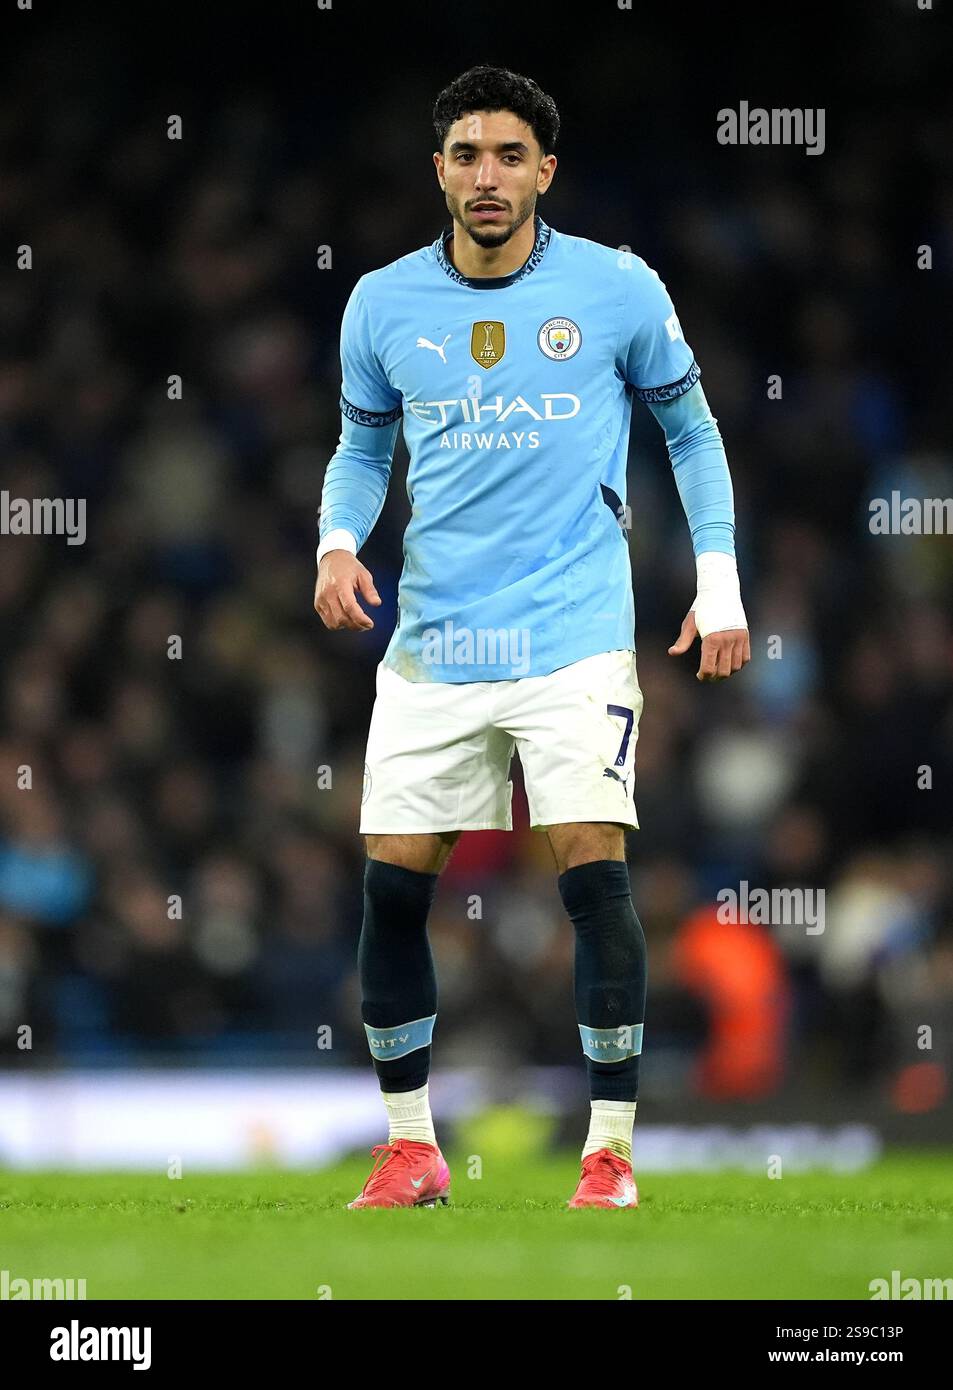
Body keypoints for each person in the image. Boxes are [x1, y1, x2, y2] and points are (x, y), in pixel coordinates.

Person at [315, 64, 750, 1210]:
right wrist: (337, 542)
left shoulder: (614, 288)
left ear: (544, 171)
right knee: (392, 888)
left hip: (573, 637)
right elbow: (362, 449)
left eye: (509, 156)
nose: (487, 176)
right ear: (439, 173)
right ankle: (411, 1149)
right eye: (466, 155)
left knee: (593, 876)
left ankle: (606, 1155)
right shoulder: (380, 303)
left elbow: (691, 431)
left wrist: (718, 582)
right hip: (432, 642)